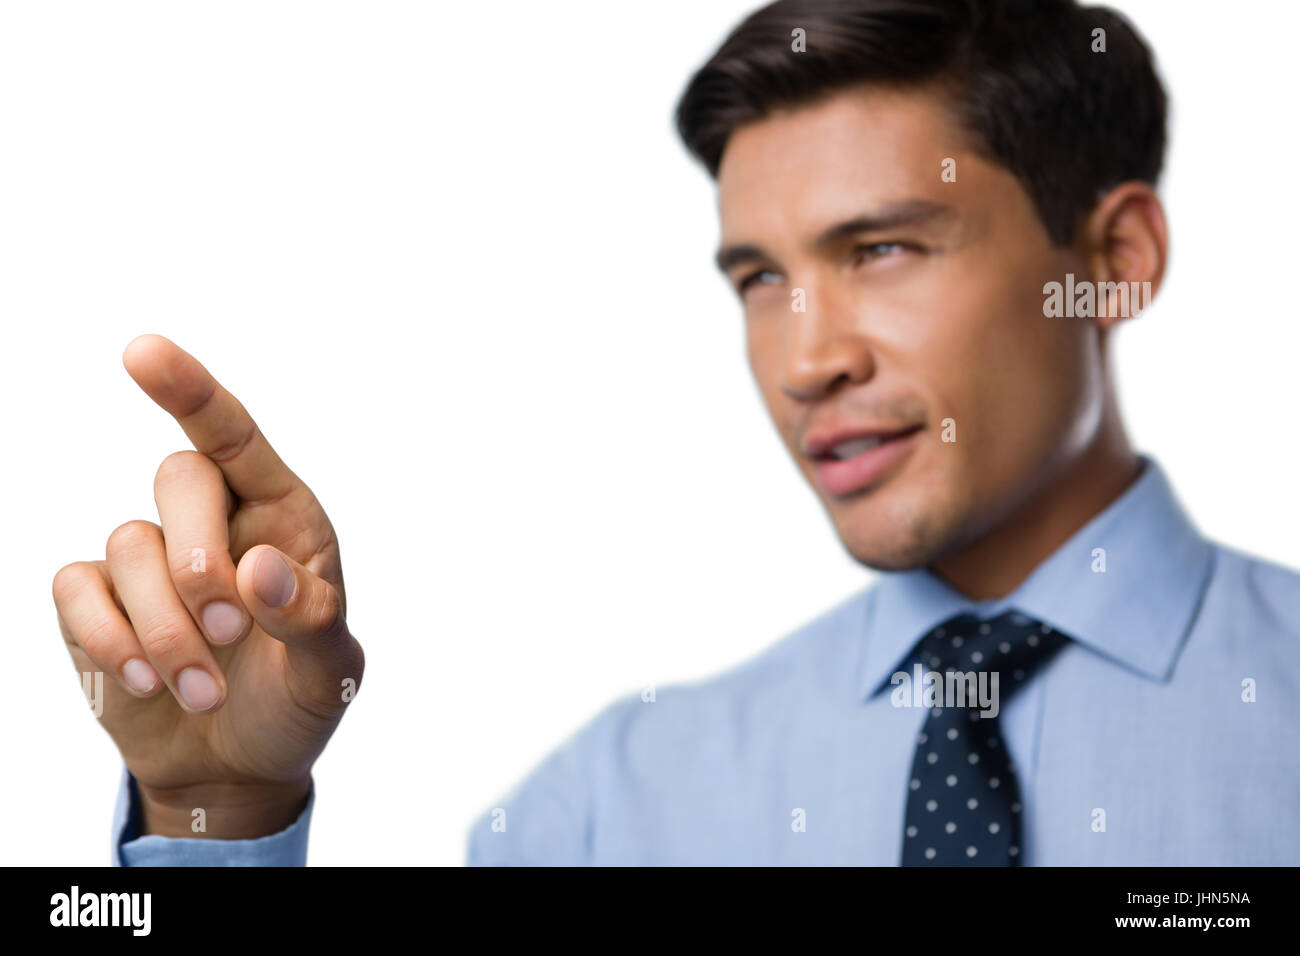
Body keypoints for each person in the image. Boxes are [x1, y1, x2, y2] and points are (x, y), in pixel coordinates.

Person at [55, 0, 1299, 866]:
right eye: (759, 278)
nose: (808, 359)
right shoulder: (613, 806)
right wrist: (214, 808)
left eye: (882, 248)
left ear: (1114, 260)